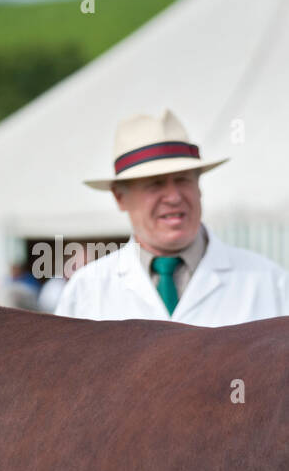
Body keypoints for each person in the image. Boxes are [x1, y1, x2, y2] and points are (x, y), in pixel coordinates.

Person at [57, 109, 289, 323]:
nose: (174, 197)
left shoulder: (270, 282)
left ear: (199, 186)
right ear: (120, 198)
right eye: (155, 184)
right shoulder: (87, 290)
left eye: (183, 179)